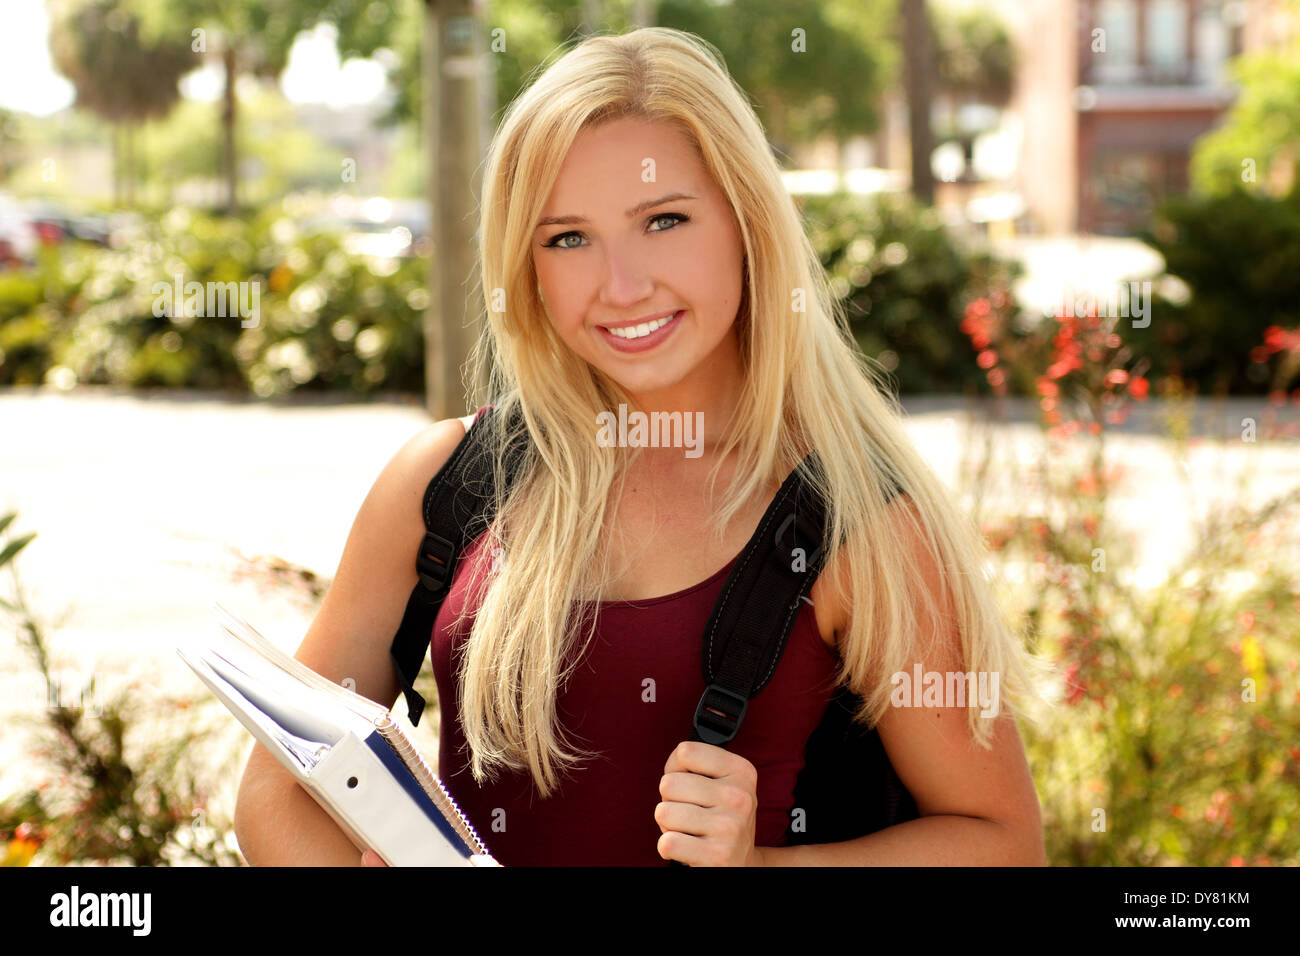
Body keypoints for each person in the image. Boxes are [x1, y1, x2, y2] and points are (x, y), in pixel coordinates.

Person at [234, 26, 1047, 867]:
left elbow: (1003, 844)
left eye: (664, 220)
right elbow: (274, 796)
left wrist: (769, 866)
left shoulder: (858, 522)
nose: (622, 286)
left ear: (747, 223)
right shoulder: (445, 483)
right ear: (528, 269)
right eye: (568, 238)